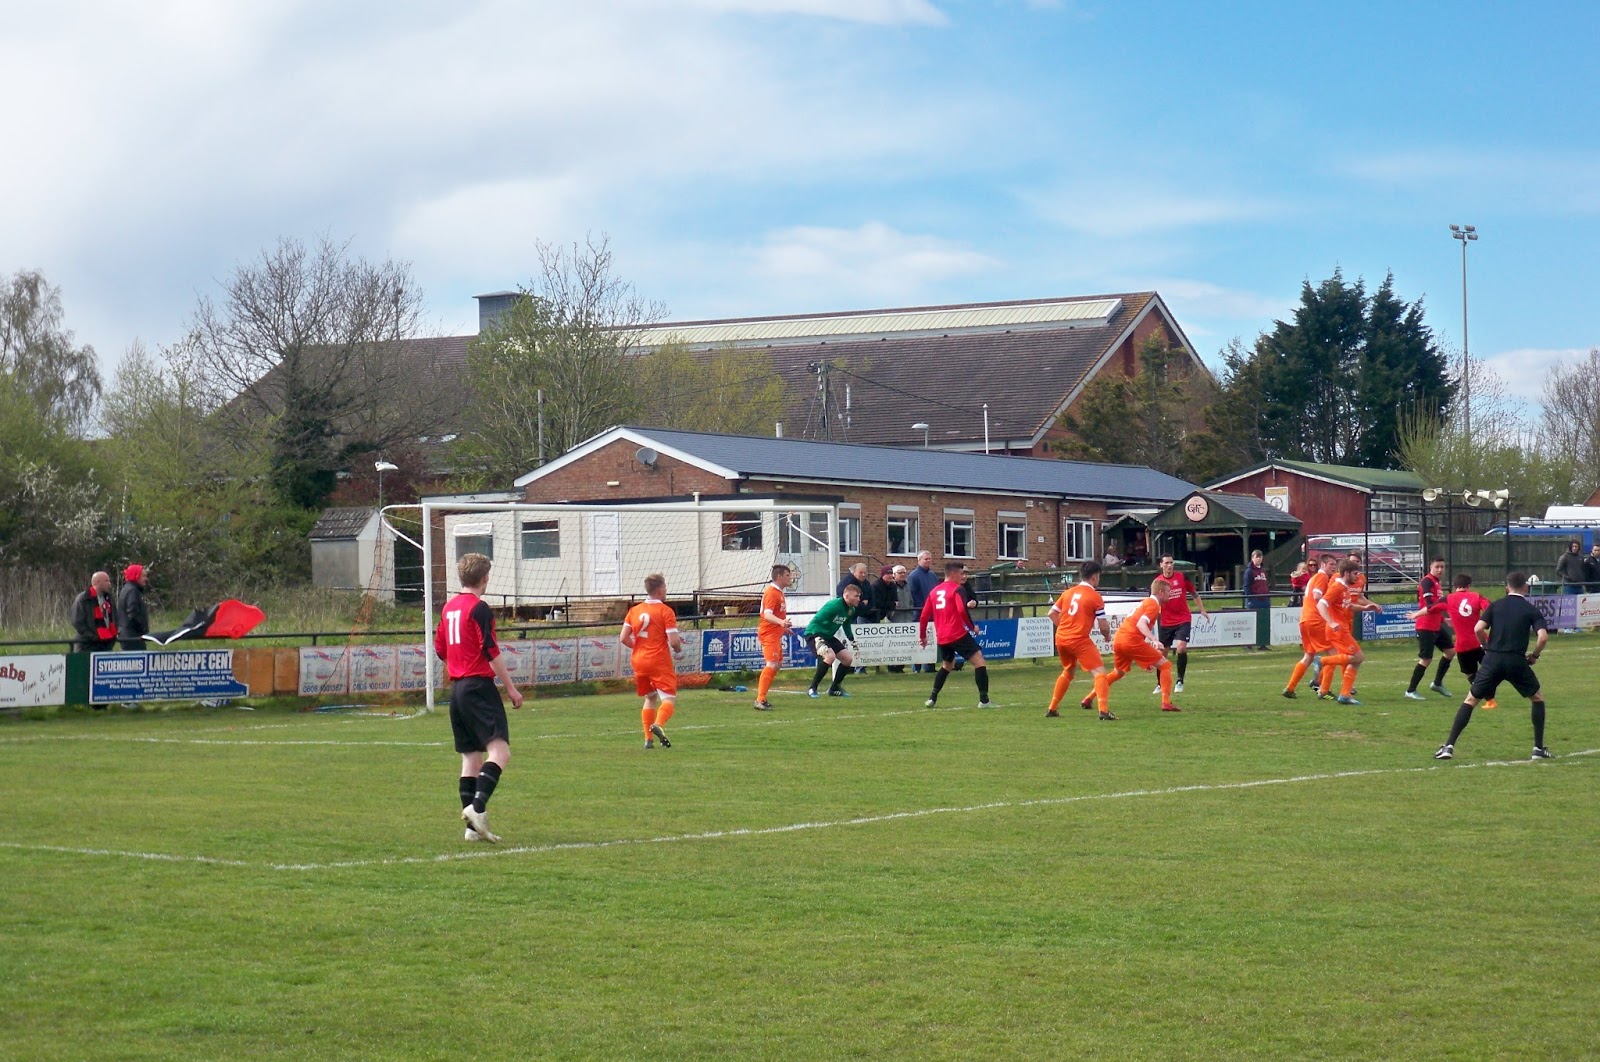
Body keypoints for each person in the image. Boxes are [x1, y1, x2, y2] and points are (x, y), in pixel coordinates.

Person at [434, 552, 524, 844]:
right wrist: (510, 687)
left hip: (458, 690)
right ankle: (477, 808)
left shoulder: (449, 608)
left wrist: (457, 663)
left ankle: (471, 830)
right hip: (478, 687)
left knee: (471, 759)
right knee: (500, 753)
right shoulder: (480, 608)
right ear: (485, 578)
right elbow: (491, 651)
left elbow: (440, 648)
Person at [1435, 571, 1551, 761]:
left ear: (1506, 588)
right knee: (1537, 698)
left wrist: (1485, 646)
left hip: (1493, 660)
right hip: (1516, 661)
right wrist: (1535, 655)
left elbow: (1478, 628)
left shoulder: (1495, 605)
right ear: (1526, 588)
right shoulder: (1530, 609)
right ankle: (1538, 749)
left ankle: (1448, 746)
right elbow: (1543, 637)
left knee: (1471, 700)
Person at [1076, 577, 1178, 715]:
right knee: (1165, 665)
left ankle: (1088, 698)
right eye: (1168, 591)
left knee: (1118, 672)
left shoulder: (1145, 603)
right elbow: (1141, 624)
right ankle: (1166, 702)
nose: (1169, 594)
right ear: (1160, 592)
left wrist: (1145, 658)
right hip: (1131, 640)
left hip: (1120, 639)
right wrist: (1154, 639)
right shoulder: (1153, 605)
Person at [621, 573, 683, 748]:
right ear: (661, 589)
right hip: (658, 660)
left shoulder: (634, 610)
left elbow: (623, 638)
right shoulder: (665, 611)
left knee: (650, 697)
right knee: (669, 699)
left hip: (639, 660)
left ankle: (648, 739)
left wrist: (640, 649)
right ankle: (658, 724)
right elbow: (673, 640)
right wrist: (678, 648)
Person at [918, 563, 992, 708]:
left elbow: (924, 616)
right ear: (953, 575)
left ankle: (932, 698)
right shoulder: (957, 589)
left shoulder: (934, 591)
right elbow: (962, 610)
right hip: (957, 633)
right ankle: (984, 701)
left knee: (947, 665)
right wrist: (972, 627)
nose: (963, 577)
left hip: (942, 636)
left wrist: (922, 636)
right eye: (961, 574)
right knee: (979, 662)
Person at [1316, 559, 1378, 704]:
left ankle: (1345, 695)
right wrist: (1331, 622)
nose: (1357, 577)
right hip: (1338, 631)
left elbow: (1348, 606)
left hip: (1342, 629)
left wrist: (1365, 607)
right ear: (1346, 573)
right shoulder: (1337, 587)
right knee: (1358, 657)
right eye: (1355, 573)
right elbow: (1321, 604)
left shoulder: (1345, 588)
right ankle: (1322, 661)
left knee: (1356, 659)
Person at [1283, 555, 1337, 698]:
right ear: (1323, 565)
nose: (1334, 566)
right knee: (1334, 655)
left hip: (1305, 620)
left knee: (1308, 656)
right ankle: (1323, 690)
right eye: (1331, 564)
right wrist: (1329, 601)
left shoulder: (1314, 578)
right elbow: (1317, 596)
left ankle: (1290, 688)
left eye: (1335, 564)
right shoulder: (1322, 577)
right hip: (1315, 620)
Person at [1155, 554, 1207, 694]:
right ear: (1161, 565)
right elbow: (1153, 602)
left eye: (1171, 563)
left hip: (1183, 619)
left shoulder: (1181, 577)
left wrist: (1202, 610)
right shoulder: (1157, 582)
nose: (1169, 565)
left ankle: (1179, 681)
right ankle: (1160, 683)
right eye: (1166, 563)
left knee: (1181, 648)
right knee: (1162, 653)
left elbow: (1194, 593)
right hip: (1166, 621)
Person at [1405, 557, 1456, 700]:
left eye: (1442, 567)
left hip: (1435, 625)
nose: (1440, 569)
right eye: (1437, 567)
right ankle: (1410, 690)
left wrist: (1444, 620)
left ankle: (1437, 683)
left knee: (1451, 651)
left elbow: (1436, 608)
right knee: (1426, 659)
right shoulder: (1427, 581)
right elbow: (1429, 606)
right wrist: (1416, 614)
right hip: (1425, 626)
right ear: (1430, 567)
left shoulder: (1437, 583)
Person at [1445, 573, 1497, 711]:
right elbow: (1490, 608)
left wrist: (1416, 614)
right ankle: (1490, 698)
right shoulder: (1476, 596)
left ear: (1454, 586)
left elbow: (1431, 608)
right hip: (1480, 641)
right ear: (1469, 586)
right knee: (1488, 670)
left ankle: (1488, 697)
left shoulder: (1448, 598)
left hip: (1463, 645)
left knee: (1470, 674)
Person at [804, 583, 861, 697]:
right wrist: (817, 638)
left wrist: (852, 640)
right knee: (830, 657)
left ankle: (834, 688)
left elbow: (846, 625)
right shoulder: (833, 605)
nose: (858, 599)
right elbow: (817, 620)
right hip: (814, 633)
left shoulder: (851, 609)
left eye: (859, 596)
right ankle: (812, 688)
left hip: (828, 636)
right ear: (846, 596)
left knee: (847, 659)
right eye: (856, 596)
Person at [753, 564, 794, 711]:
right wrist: (781, 622)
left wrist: (783, 627)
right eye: (788, 575)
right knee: (771, 664)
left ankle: (762, 696)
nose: (791, 578)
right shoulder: (771, 592)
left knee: (777, 664)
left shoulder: (779, 592)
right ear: (779, 577)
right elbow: (767, 614)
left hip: (775, 633)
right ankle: (760, 699)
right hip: (768, 634)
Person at [69, 571, 118, 654]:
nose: (109, 584)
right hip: (87, 646)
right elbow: (77, 621)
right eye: (106, 581)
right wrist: (93, 636)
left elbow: (115, 617)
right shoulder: (83, 598)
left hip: (106, 645)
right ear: (97, 582)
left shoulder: (108, 598)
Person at [906, 550, 939, 671]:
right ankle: (916, 667)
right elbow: (913, 594)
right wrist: (924, 607)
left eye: (930, 559)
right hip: (919, 614)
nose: (928, 561)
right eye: (926, 559)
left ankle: (929, 666)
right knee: (919, 642)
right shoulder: (914, 576)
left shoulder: (933, 575)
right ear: (919, 560)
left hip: (933, 614)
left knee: (931, 640)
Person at [116, 564, 150, 651]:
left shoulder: (127, 589)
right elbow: (133, 613)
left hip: (127, 635)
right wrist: (142, 629)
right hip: (132, 636)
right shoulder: (132, 591)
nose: (146, 579)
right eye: (143, 576)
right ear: (136, 576)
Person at [1555, 540, 1585, 633]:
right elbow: (1558, 571)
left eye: (1576, 546)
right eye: (1573, 546)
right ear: (1570, 547)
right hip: (1569, 585)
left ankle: (1576, 626)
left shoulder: (1580, 557)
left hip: (1579, 585)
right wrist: (1568, 578)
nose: (1575, 548)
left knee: (1579, 607)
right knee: (1568, 607)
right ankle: (1567, 627)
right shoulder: (1564, 557)